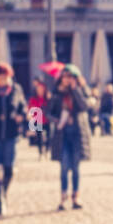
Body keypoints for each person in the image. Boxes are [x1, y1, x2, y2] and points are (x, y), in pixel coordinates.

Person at [48, 64, 93, 210]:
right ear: (61, 78)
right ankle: (63, 196)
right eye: (65, 77)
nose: (67, 80)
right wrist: (58, 120)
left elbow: (84, 106)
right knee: (64, 167)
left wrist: (75, 90)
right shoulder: (56, 93)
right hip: (62, 135)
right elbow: (47, 112)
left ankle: (76, 196)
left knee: (76, 168)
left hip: (78, 134)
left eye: (71, 77)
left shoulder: (81, 91)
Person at [0, 63, 28, 216]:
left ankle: (3, 193)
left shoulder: (16, 89)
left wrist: (23, 117)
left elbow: (23, 107)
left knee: (9, 169)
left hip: (11, 134)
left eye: (5, 77)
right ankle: (0, 201)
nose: (2, 80)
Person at [27, 76, 49, 158]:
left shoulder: (47, 98)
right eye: (38, 89)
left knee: (49, 136)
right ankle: (40, 153)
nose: (40, 90)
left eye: (41, 89)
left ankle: (47, 150)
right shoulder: (33, 99)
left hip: (47, 120)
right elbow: (30, 109)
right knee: (39, 137)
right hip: (39, 120)